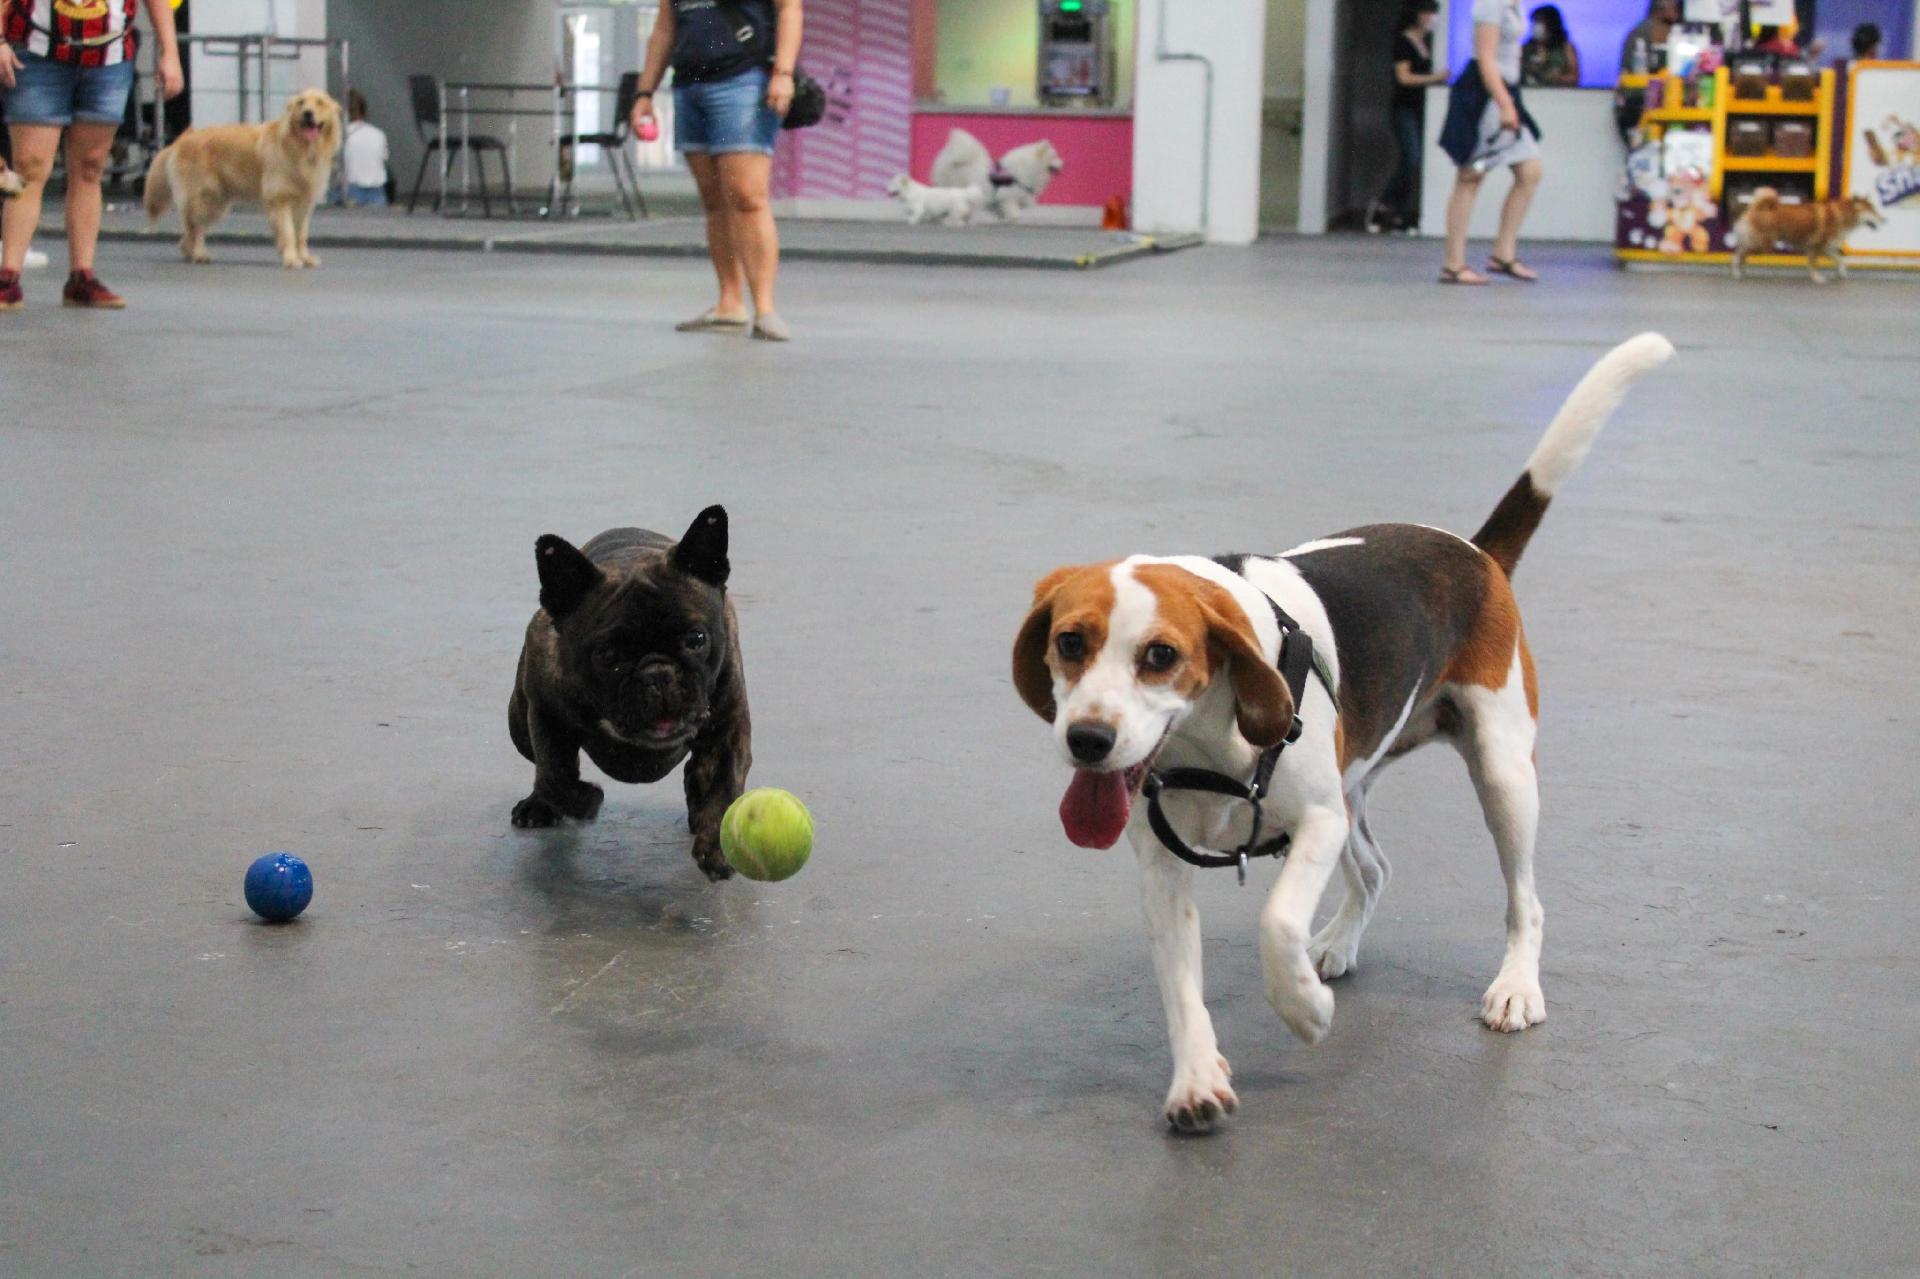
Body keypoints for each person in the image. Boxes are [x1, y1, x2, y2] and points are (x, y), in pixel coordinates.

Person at [632, 0, 802, 342]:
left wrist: (783, 73)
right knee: (714, 201)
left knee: (746, 196)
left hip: (744, 79)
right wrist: (644, 92)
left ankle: (765, 310)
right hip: (689, 84)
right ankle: (729, 303)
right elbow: (665, 29)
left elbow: (790, 9)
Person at [0, 0, 183, 311]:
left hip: (109, 57)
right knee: (30, 167)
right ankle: (8, 276)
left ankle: (81, 277)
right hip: (37, 51)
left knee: (90, 167)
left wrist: (171, 53)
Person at [1437, 0, 1544, 284]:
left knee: (1529, 171)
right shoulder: (1490, 4)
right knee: (1471, 176)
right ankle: (1454, 263)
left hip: (1505, 90)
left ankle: (1503, 253)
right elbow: (1486, 58)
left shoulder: (1513, 5)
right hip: (1486, 94)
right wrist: (1504, 103)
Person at [1371, 0, 1446, 234]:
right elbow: (1404, 78)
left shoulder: (1428, 43)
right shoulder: (1404, 41)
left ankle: (1400, 215)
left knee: (1415, 163)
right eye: (1427, 12)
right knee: (1410, 159)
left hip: (1421, 109)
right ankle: (1382, 205)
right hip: (1403, 109)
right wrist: (1434, 78)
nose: (1431, 17)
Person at [341, 89, 389, 207]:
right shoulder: (378, 133)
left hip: (352, 188)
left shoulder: (342, 135)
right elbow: (384, 157)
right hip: (377, 189)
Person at [1522, 4, 1581, 86]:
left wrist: (1558, 78)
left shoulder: (1566, 47)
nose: (1537, 25)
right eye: (1535, 21)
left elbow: (1574, 78)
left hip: (1559, 94)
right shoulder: (1526, 48)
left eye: (1540, 21)